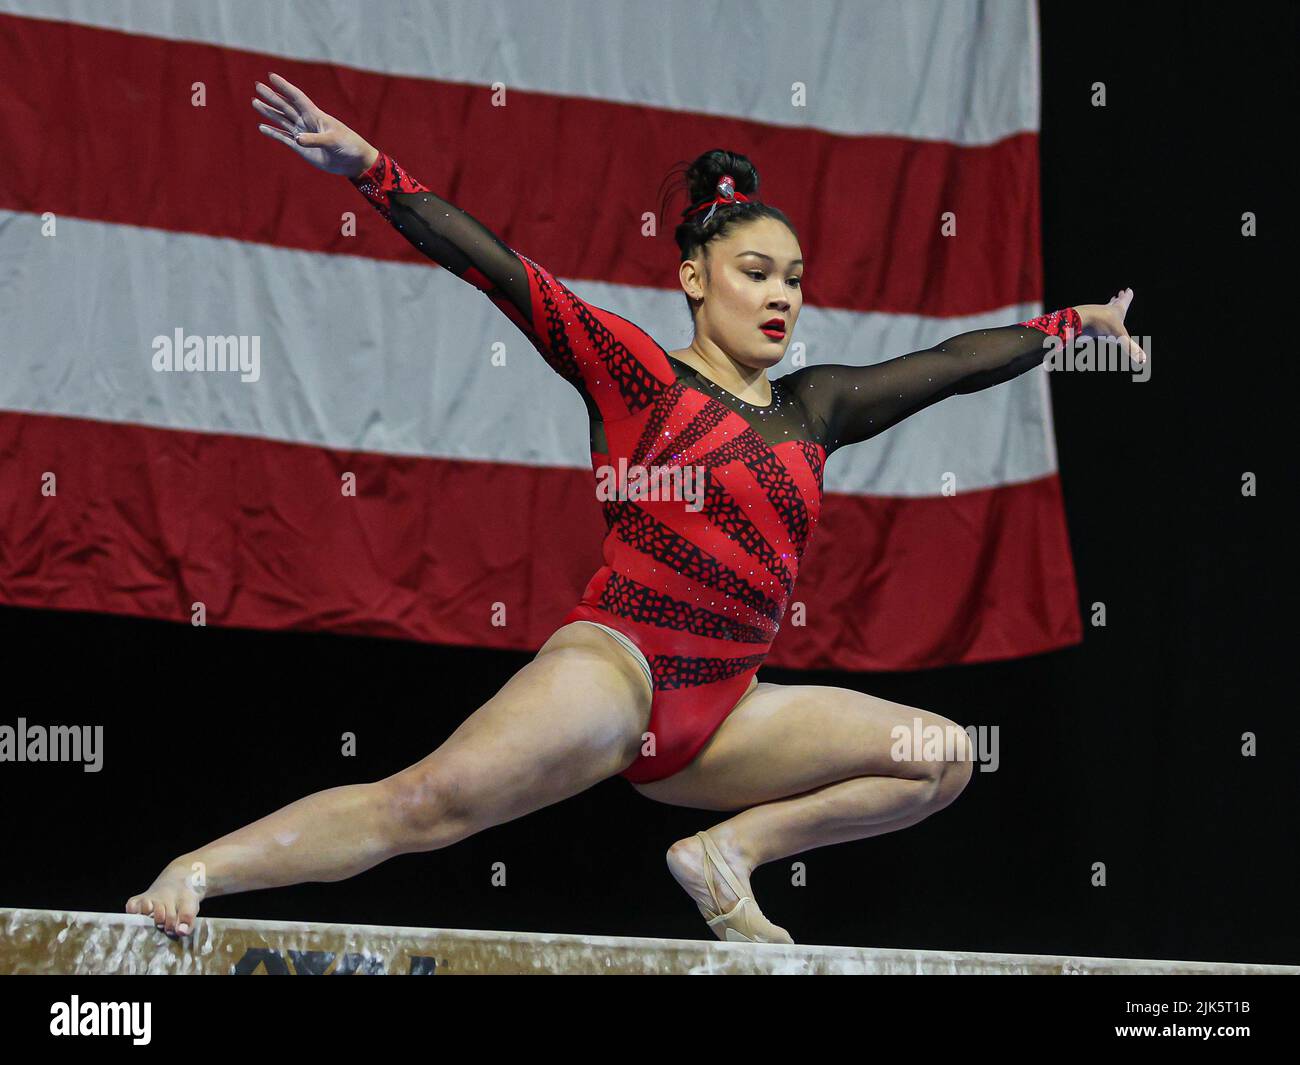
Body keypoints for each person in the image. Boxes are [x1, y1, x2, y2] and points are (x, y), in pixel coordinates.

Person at [127, 73, 1145, 945]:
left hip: (728, 712)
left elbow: (946, 365)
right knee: (425, 808)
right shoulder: (635, 374)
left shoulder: (815, 407)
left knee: (942, 758)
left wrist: (1072, 326)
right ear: (694, 278)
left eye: (793, 277)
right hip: (617, 672)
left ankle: (725, 854)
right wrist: (371, 171)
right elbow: (500, 270)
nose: (780, 294)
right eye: (755, 273)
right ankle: (200, 868)